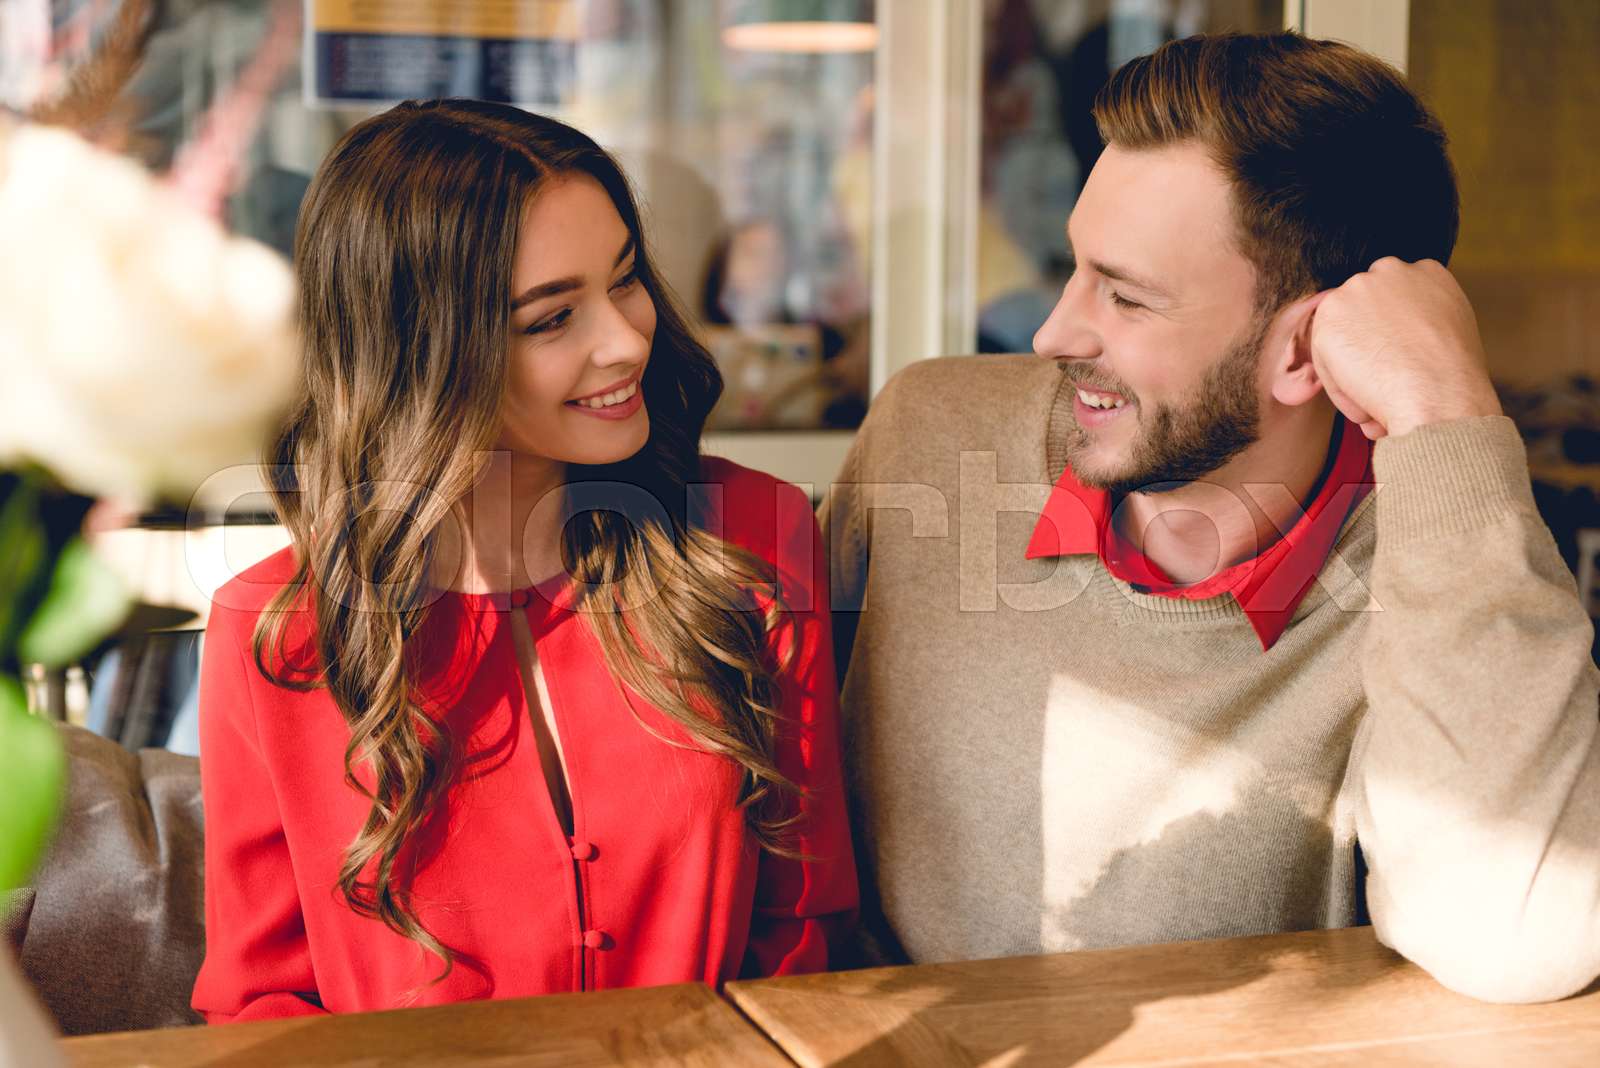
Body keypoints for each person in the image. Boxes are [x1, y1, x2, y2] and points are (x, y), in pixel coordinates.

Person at [824, 32, 1600, 1004]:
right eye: (1075, 270)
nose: (1055, 331)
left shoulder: (1444, 568)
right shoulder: (927, 431)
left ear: (1304, 352)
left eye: (1125, 297)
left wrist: (1445, 416)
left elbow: (1511, 934)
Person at [191, 99, 856, 1022]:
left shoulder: (753, 537)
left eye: (625, 280)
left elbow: (801, 934)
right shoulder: (274, 636)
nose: (627, 337)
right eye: (552, 319)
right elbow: (260, 1001)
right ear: (420, 356)